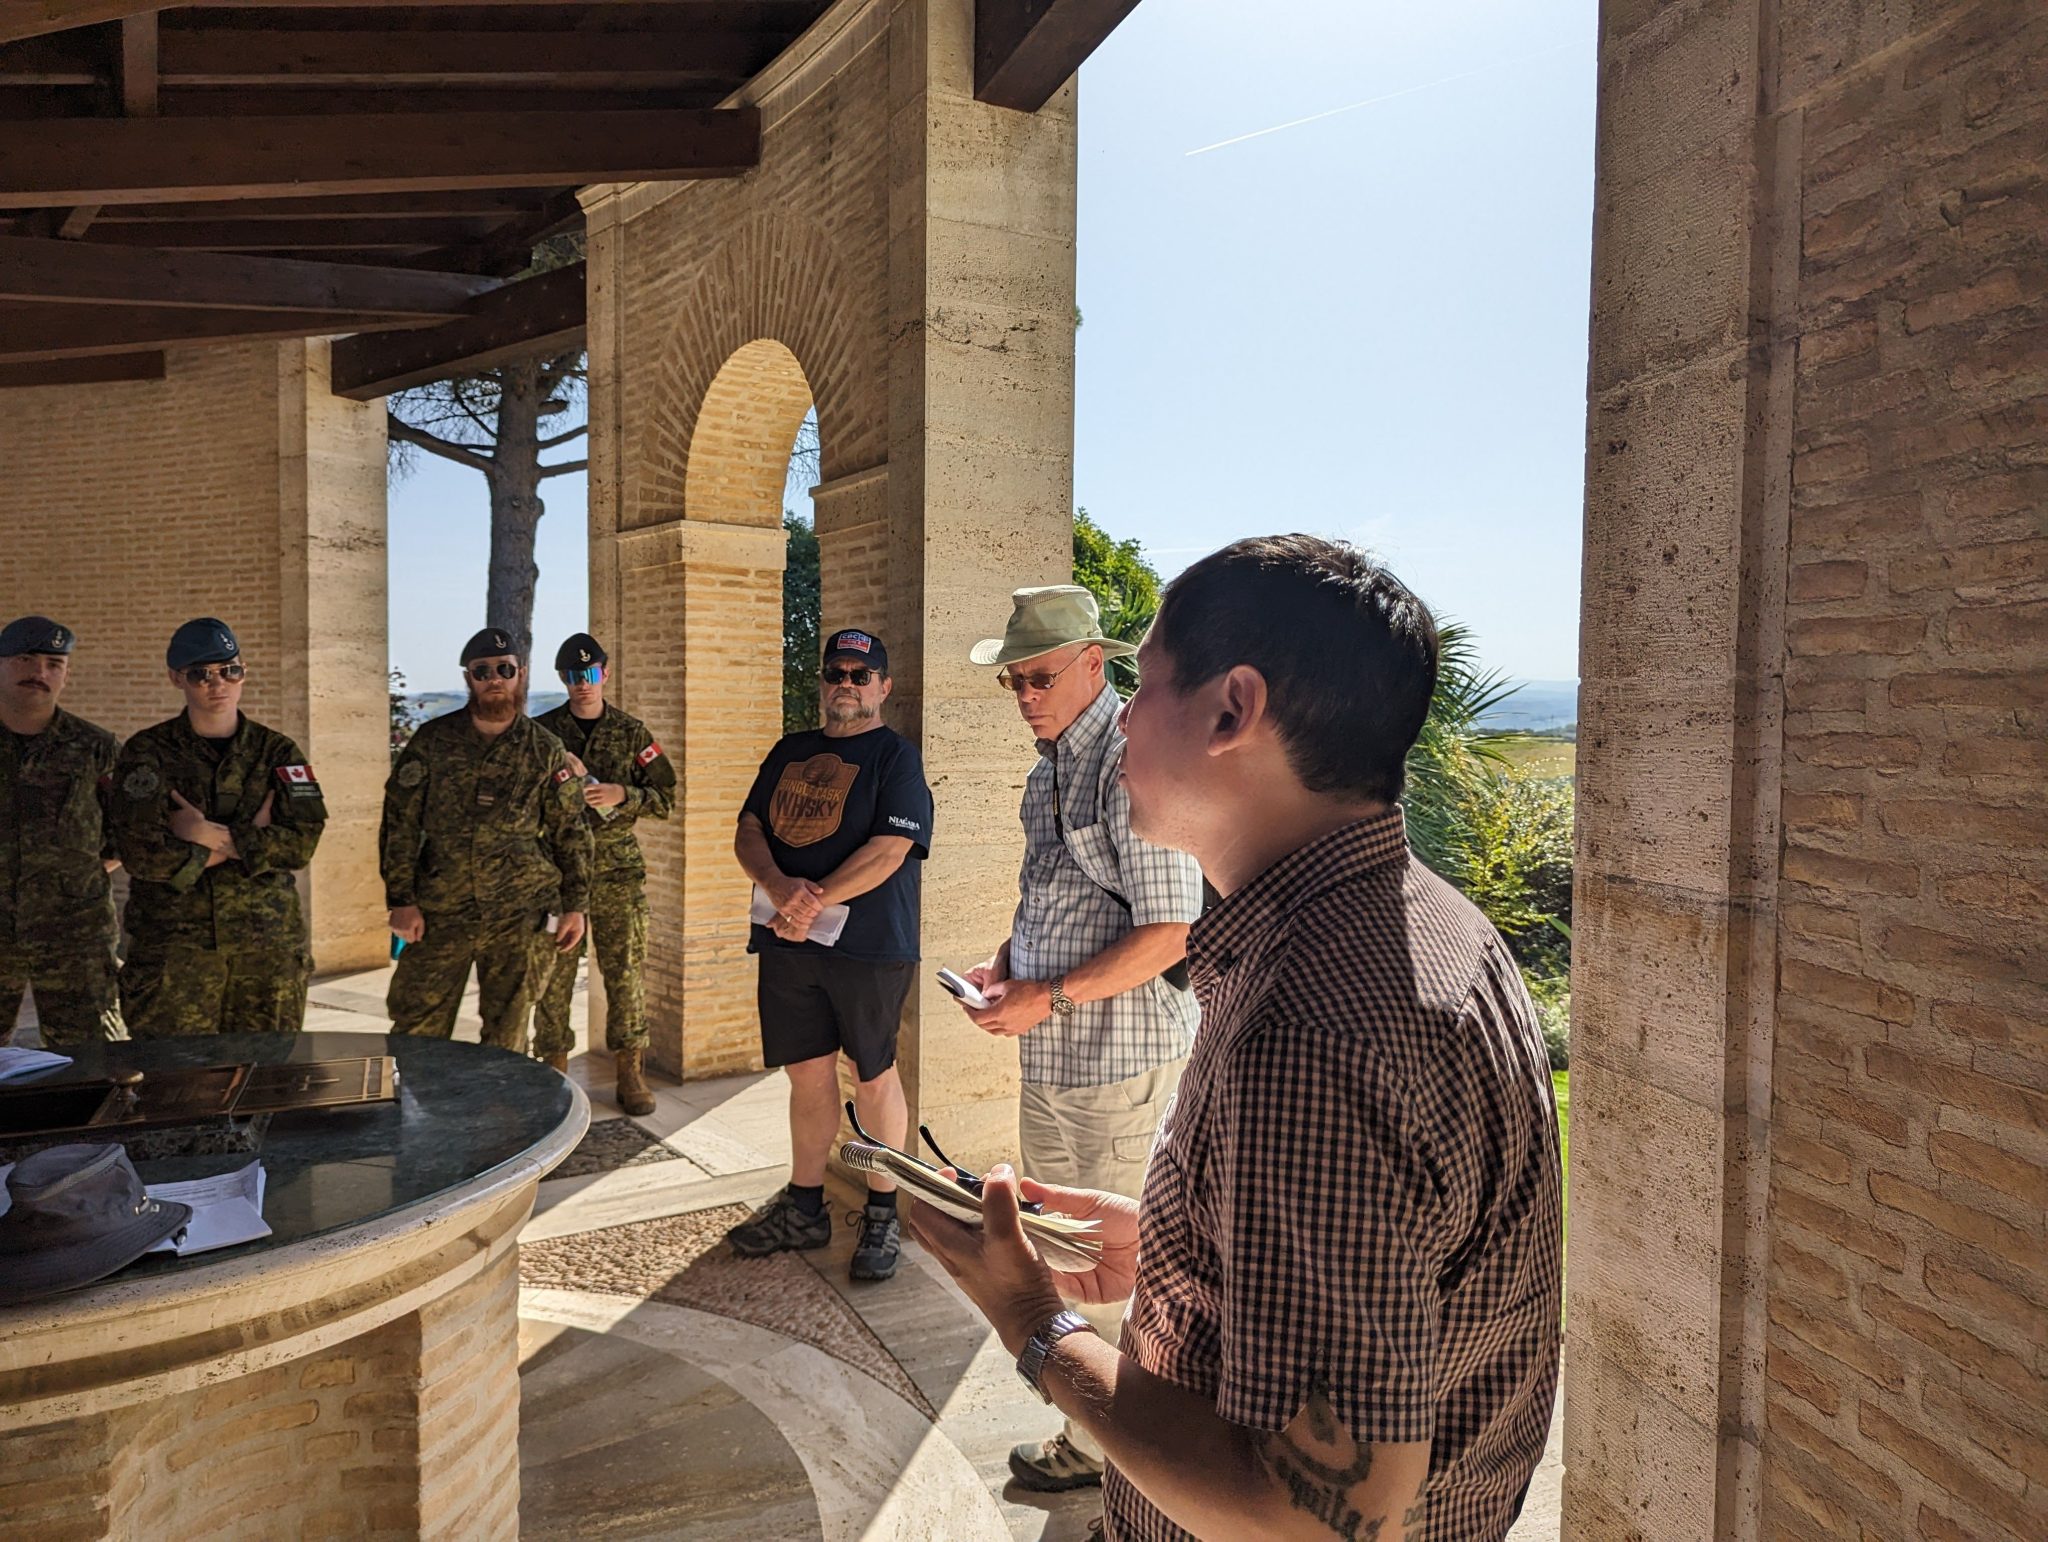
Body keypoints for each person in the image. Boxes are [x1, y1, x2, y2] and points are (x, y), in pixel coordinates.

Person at [908, 536, 1564, 1542]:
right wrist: (1177, 1241)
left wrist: (1033, 1322)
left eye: (1145, 683)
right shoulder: (1418, 927)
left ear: (1231, 709)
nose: (1120, 715)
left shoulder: (1317, 1027)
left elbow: (1304, 1521)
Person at [957, 584, 1206, 1493]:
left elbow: (1170, 931)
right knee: (1066, 1258)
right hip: (1057, 1058)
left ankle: (1130, 1468)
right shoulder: (1050, 767)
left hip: (1119, 1066)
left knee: (1122, 1269)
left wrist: (1045, 997)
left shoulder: (1131, 766)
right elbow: (1052, 901)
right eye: (1013, 681)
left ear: (1096, 664)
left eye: (1038, 676)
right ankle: (1098, 1442)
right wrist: (1003, 967)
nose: (1024, 694)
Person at [727, 628, 933, 1283]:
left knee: (872, 1077)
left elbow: (890, 850)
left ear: (883, 686)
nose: (847, 682)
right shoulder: (791, 751)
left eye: (860, 673)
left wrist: (810, 900)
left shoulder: (895, 760)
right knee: (807, 1076)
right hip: (788, 944)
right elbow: (749, 828)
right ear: (823, 681)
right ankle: (804, 1208)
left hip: (868, 949)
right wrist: (778, 889)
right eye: (836, 672)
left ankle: (881, 1212)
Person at [381, 627, 593, 1055]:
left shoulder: (545, 750)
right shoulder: (432, 742)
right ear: (468, 678)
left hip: (520, 916)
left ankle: (500, 1122)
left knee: (507, 1038)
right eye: (483, 671)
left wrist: (576, 906)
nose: (494, 678)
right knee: (415, 1031)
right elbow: (399, 823)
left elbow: (570, 830)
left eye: (504, 669)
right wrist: (401, 899)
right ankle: (413, 1119)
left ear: (521, 674)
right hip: (441, 911)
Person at [110, 619, 326, 1036]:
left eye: (230, 670)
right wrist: (253, 840)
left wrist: (207, 836)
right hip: (176, 954)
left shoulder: (279, 751)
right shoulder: (147, 752)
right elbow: (141, 855)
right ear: (177, 678)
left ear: (244, 671)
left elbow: (301, 844)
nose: (218, 684)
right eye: (201, 674)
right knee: (175, 1080)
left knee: (266, 1078)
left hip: (267, 953)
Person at [532, 631, 675, 1114]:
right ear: (563, 680)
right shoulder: (543, 735)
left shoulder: (633, 734)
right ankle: (554, 1073)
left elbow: (665, 799)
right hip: (558, 876)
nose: (582, 684)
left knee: (625, 973)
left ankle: (629, 1073)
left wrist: (622, 795)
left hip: (617, 872)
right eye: (573, 676)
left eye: (590, 674)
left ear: (605, 674)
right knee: (554, 977)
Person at [0, 616, 123, 1047]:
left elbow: (125, 833)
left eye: (54, 663)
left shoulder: (96, 748)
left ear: (66, 675)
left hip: (74, 935)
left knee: (89, 1061)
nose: (39, 672)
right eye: (24, 659)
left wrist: (72, 880)